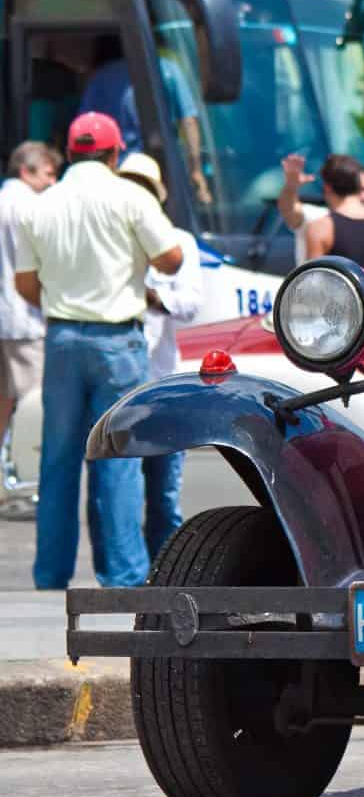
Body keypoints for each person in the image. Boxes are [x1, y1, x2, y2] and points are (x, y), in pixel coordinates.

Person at [14, 112, 183, 589]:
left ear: (69, 153)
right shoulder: (129, 196)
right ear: (114, 155)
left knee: (58, 460)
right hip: (117, 341)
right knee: (118, 458)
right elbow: (172, 258)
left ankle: (51, 574)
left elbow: (26, 284)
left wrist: (63, 299)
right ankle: (124, 575)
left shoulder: (39, 206)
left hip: (63, 338)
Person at [118, 153, 204, 561]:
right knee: (121, 486)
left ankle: (165, 571)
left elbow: (191, 303)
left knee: (164, 490)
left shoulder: (178, 242)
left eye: (144, 188)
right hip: (120, 380)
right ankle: (131, 572)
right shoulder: (110, 238)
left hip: (161, 379)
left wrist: (153, 298)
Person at [77, 36, 209, 203]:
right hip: (163, 171)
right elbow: (189, 122)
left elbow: (84, 130)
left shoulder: (101, 77)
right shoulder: (168, 69)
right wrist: (196, 170)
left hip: (116, 171)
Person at [0, 142, 60, 454]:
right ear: (26, 171)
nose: (52, 182)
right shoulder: (32, 207)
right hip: (24, 320)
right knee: (33, 402)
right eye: (48, 174)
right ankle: (29, 473)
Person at [304, 154, 364, 293]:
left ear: (327, 187)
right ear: (357, 183)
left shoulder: (320, 228)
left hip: (335, 313)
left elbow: (313, 286)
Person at [278, 153, 364, 265]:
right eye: (357, 189)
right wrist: (291, 186)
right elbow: (289, 209)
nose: (363, 196)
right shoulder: (317, 218)